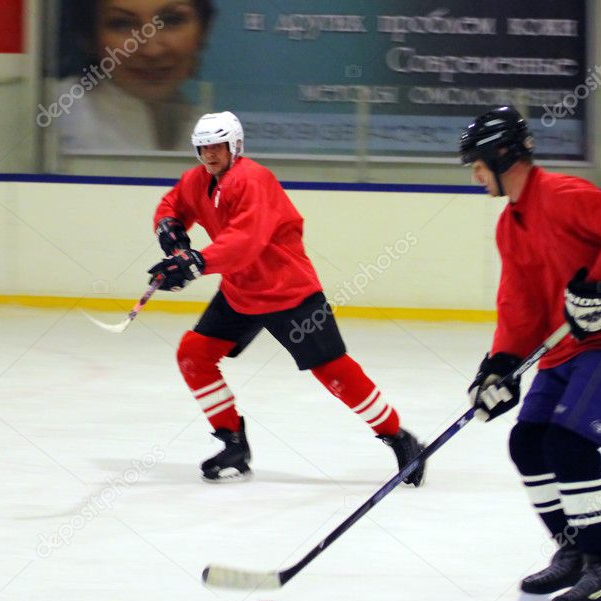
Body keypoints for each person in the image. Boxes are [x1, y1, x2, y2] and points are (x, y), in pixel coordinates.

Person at [460, 106, 601, 601]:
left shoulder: (565, 196)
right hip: (565, 352)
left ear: (501, 155)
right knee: (527, 442)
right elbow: (520, 305)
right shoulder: (511, 224)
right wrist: (500, 364)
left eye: (477, 164)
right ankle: (572, 553)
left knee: (570, 446)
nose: (474, 175)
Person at [146, 111, 426, 485]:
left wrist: (196, 262)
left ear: (235, 146)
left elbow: (245, 243)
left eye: (218, 146)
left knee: (333, 371)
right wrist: (171, 231)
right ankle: (233, 442)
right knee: (194, 353)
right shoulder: (197, 181)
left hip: (287, 291)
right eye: (203, 148)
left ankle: (400, 438)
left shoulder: (253, 179)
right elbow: (172, 205)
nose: (210, 154)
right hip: (240, 291)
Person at [59, 0, 214, 153]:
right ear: (89, 38)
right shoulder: (53, 115)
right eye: (123, 24)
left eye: (171, 20)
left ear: (203, 31)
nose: (152, 51)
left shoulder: (215, 134)